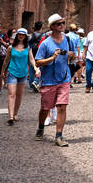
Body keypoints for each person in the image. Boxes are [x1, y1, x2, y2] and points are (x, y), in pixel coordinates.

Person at [35, 15, 73, 146]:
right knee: (45, 108)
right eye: (59, 24)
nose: (62, 26)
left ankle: (59, 136)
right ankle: (40, 128)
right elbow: (38, 62)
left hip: (64, 79)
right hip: (49, 80)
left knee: (62, 106)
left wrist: (71, 56)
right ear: (52, 27)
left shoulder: (67, 39)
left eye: (63, 23)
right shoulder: (45, 43)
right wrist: (52, 58)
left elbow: (71, 58)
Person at [5, 29, 39, 124]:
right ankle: (11, 116)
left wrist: (35, 68)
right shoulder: (10, 48)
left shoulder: (28, 48)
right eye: (19, 35)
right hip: (12, 72)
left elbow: (31, 59)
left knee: (19, 95)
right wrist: (2, 72)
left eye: (22, 35)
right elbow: (6, 60)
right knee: (12, 94)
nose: (21, 36)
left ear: (25, 37)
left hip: (23, 73)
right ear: (16, 36)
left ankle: (15, 114)